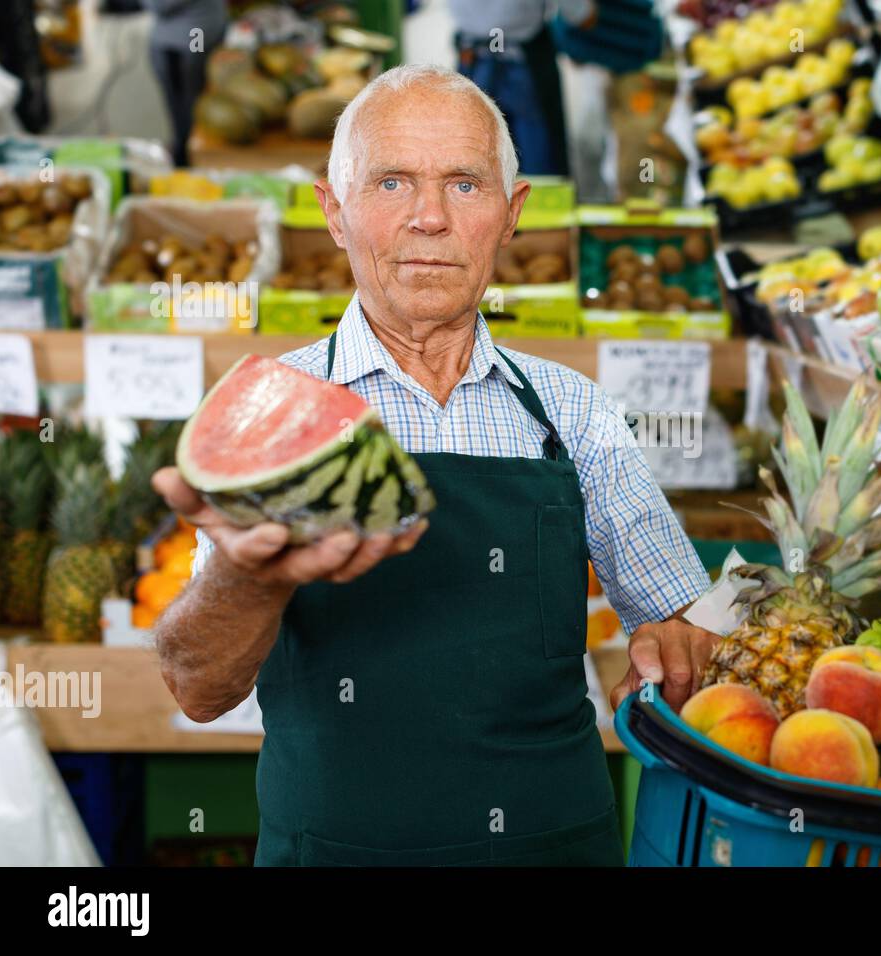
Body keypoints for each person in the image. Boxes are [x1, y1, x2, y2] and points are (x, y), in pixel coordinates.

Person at [150, 64, 718, 867]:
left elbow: (679, 616)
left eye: (464, 183)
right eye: (389, 182)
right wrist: (249, 577)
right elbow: (197, 691)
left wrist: (678, 648)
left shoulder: (573, 410)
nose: (428, 218)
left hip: (553, 849)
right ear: (333, 213)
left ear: (511, 214)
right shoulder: (277, 412)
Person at [447, 0, 597, 175]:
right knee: (540, 166)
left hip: (473, 61)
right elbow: (582, 16)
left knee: (473, 161)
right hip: (525, 66)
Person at [142, 0, 228, 166]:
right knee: (190, 98)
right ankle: (186, 147)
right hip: (197, 34)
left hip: (189, 39)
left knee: (187, 103)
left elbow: (158, 6)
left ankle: (186, 154)